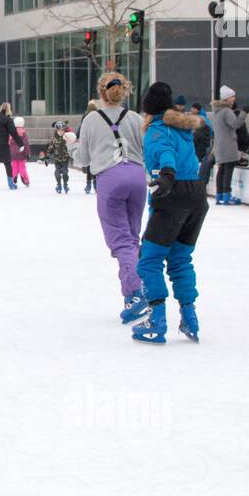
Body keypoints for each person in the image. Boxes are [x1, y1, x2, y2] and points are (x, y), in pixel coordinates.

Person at [132, 82, 209, 344]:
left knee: (149, 260)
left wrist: (166, 174)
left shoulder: (156, 130)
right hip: (197, 195)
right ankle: (190, 317)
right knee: (180, 258)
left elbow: (165, 154)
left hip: (173, 195)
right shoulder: (181, 129)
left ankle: (157, 319)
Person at [69, 72, 148, 322]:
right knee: (132, 238)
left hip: (110, 179)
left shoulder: (92, 119)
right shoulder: (135, 118)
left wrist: (71, 143)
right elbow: (145, 146)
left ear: (102, 93)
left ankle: (137, 291)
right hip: (137, 176)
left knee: (120, 240)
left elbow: (82, 158)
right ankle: (131, 291)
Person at [210, 85, 243, 205]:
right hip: (229, 145)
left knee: (222, 169)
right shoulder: (227, 111)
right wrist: (243, 114)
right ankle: (227, 194)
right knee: (228, 170)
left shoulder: (216, 112)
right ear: (227, 98)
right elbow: (235, 124)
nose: (234, 98)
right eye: (232, 96)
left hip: (219, 146)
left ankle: (219, 194)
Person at [191, 103, 215, 184]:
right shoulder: (203, 125)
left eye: (193, 108)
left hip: (199, 152)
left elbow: (194, 140)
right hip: (203, 149)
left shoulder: (201, 123)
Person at [79, 98, 99, 193]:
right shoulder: (99, 115)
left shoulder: (85, 116)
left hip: (88, 141)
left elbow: (81, 128)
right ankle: (95, 184)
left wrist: (77, 136)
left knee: (88, 164)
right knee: (95, 163)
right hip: (97, 142)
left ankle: (88, 184)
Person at [48, 120, 71, 193]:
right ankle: (59, 184)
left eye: (62, 131)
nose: (61, 132)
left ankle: (65, 184)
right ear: (56, 131)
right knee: (57, 173)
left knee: (65, 173)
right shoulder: (54, 140)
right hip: (57, 159)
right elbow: (50, 148)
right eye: (59, 131)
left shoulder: (67, 139)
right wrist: (48, 156)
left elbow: (71, 147)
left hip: (65, 159)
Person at [9, 116, 31, 186]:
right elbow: (26, 144)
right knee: (22, 168)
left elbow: (8, 142)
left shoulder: (11, 132)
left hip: (13, 154)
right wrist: (28, 153)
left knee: (14, 167)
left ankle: (13, 179)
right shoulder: (23, 133)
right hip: (22, 154)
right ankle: (25, 180)